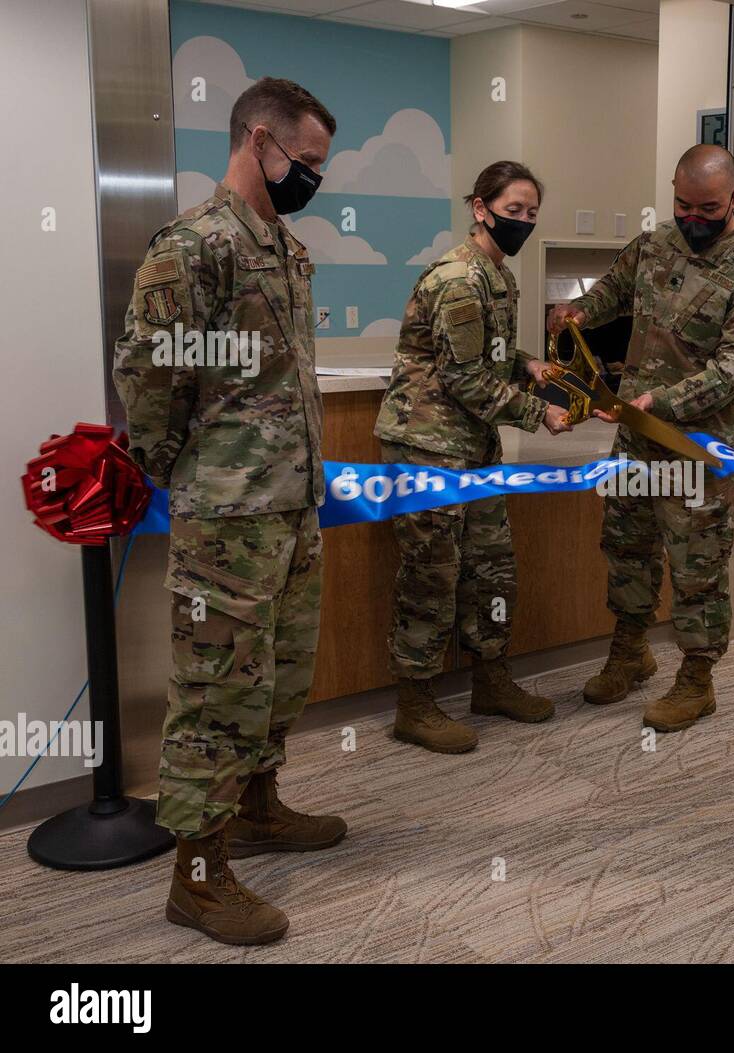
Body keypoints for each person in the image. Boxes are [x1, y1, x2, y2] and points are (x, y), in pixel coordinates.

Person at [113, 77, 345, 945]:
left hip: (289, 510)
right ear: (260, 140)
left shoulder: (284, 248)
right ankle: (197, 877)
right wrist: (177, 471)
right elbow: (148, 377)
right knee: (216, 694)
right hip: (227, 521)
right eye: (307, 161)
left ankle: (258, 804)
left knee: (278, 676)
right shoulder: (194, 246)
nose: (314, 178)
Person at [547, 145, 734, 733]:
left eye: (708, 207)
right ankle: (630, 652)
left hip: (695, 450)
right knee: (626, 546)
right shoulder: (655, 244)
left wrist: (664, 402)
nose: (693, 218)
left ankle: (697, 680)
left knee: (696, 565)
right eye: (683, 204)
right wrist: (577, 313)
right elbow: (612, 293)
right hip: (633, 441)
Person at [375, 161, 572, 754]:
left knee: (491, 567)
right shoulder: (458, 280)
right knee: (431, 575)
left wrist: (527, 364)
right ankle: (416, 705)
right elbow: (464, 379)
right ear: (481, 209)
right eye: (514, 210)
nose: (525, 221)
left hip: (474, 448)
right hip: (428, 449)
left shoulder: (497, 275)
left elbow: (490, 354)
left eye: (533, 213)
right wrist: (542, 413)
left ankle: (491, 680)